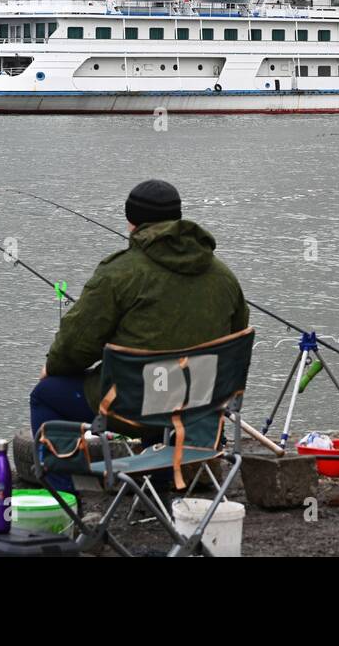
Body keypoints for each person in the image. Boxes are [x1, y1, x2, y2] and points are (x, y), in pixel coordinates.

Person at [30, 180, 247, 488]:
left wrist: (53, 367)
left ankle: (63, 497)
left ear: (131, 222)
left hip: (135, 410)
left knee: (46, 394)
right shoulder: (224, 276)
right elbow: (234, 338)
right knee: (165, 379)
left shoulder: (119, 272)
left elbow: (75, 348)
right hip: (199, 411)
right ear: (178, 217)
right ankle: (159, 478)